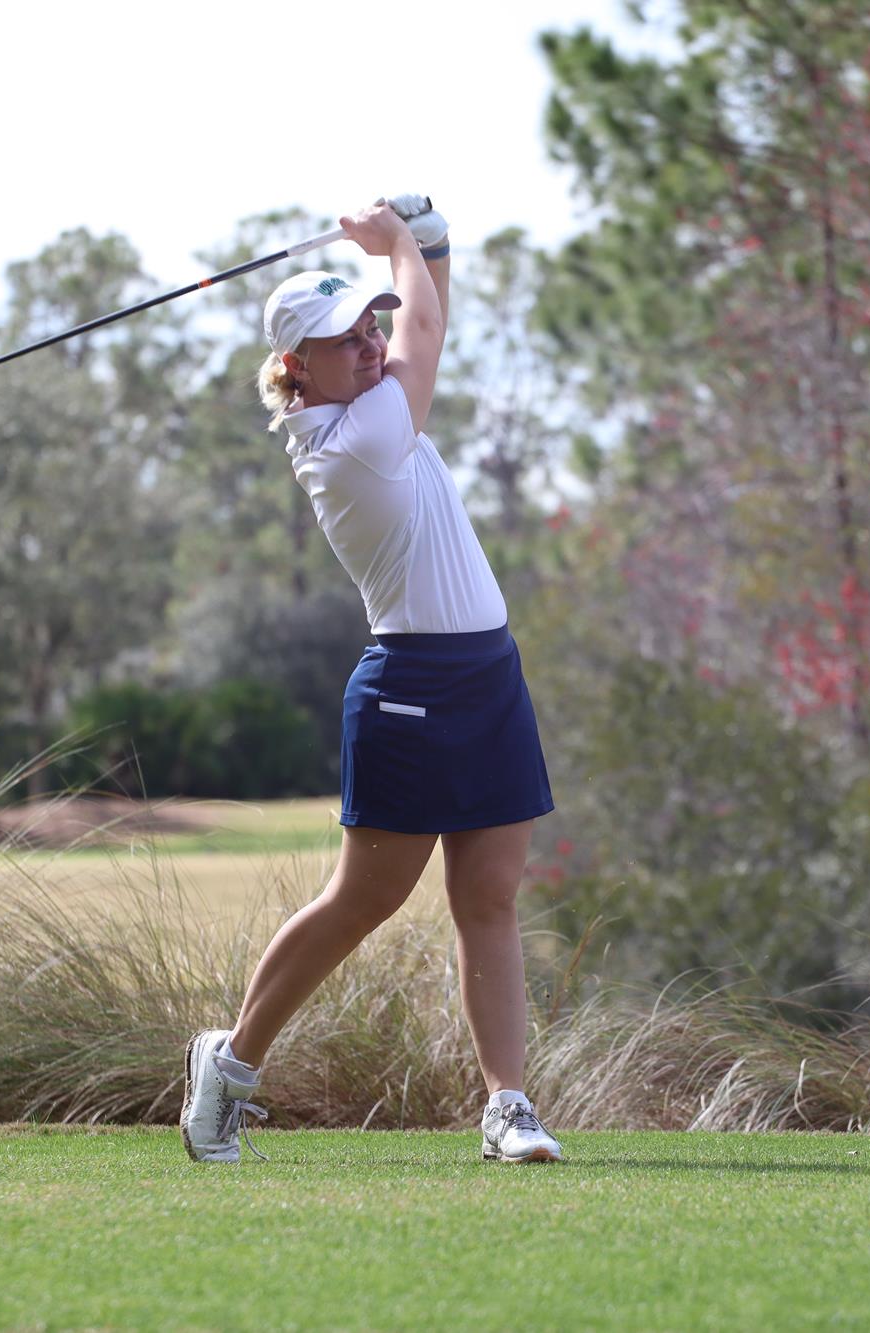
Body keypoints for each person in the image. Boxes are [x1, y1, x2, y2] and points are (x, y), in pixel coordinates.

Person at [180, 194, 562, 1165]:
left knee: (491, 896)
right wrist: (397, 244)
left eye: (364, 327)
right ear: (292, 369)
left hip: (487, 672)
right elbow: (424, 324)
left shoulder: (371, 404)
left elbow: (423, 311)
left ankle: (506, 1105)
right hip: (408, 687)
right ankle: (227, 1064)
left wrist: (425, 244)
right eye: (337, 339)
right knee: (364, 900)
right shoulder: (350, 443)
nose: (364, 343)